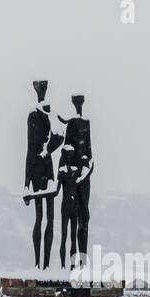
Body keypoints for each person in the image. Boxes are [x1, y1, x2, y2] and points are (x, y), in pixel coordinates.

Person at [22, 80, 64, 270]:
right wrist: (26, 183)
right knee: (40, 218)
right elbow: (29, 148)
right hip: (37, 168)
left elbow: (59, 135)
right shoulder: (32, 116)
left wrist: (48, 150)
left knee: (49, 218)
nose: (42, 92)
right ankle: (39, 265)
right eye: (40, 89)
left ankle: (45, 265)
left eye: (44, 89)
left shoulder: (49, 115)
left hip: (47, 168)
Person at [57, 94, 94, 269]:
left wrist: (84, 175)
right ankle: (74, 262)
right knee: (75, 220)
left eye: (80, 103)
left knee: (84, 218)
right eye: (76, 103)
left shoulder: (86, 123)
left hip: (83, 178)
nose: (78, 106)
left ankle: (83, 260)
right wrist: (69, 174)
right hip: (74, 177)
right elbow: (66, 152)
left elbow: (91, 156)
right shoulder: (71, 124)